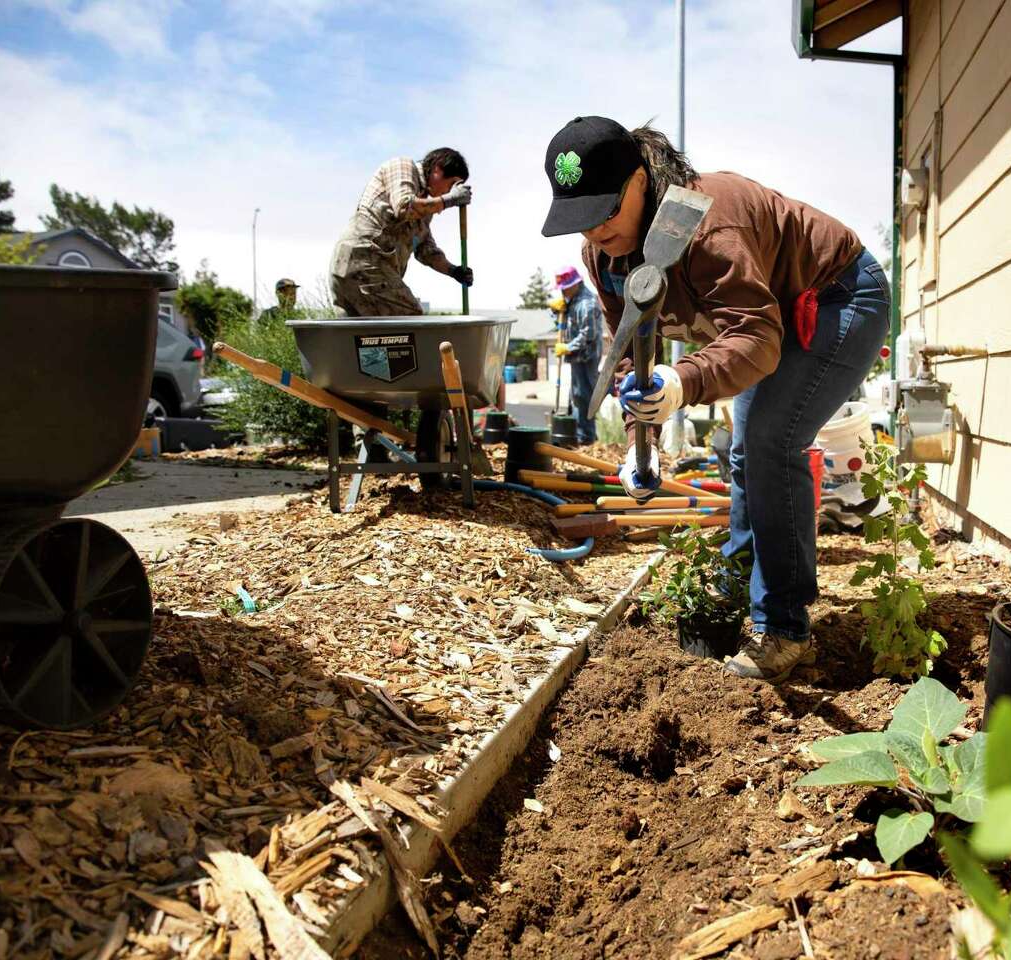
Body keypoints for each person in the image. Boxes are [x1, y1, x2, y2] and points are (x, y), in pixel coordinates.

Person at [540, 116, 889, 683]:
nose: (594, 232)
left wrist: (681, 383)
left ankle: (784, 627)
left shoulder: (703, 222)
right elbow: (631, 361)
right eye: (581, 221)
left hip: (836, 295)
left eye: (604, 212)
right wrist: (639, 445)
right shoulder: (604, 260)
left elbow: (755, 337)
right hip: (771, 317)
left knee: (771, 442)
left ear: (639, 180)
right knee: (744, 454)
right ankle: (738, 592)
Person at [330, 148, 474, 316]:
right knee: (411, 321)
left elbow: (426, 251)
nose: (449, 192)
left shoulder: (424, 212)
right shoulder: (403, 167)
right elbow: (404, 206)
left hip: (360, 273)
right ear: (438, 168)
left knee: (364, 339)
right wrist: (449, 200)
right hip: (365, 263)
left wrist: (454, 271)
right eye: (451, 185)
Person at [553, 266, 602, 444]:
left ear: (575, 284)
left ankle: (586, 438)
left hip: (586, 356)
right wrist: (557, 311)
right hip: (577, 356)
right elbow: (564, 323)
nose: (563, 292)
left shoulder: (587, 303)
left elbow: (589, 335)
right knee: (576, 395)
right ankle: (578, 433)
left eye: (565, 288)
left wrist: (568, 347)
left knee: (583, 395)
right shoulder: (573, 301)